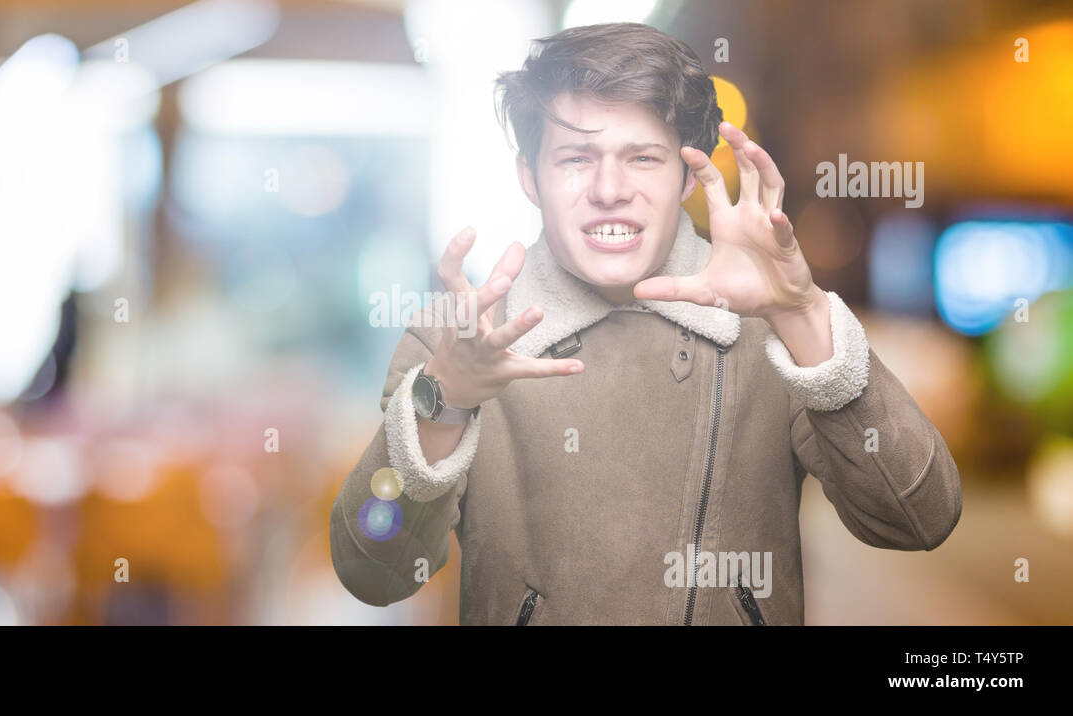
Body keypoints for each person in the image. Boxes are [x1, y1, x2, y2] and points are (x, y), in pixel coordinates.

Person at [329, 22, 962, 625]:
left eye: (643, 158)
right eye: (577, 158)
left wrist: (801, 314)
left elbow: (919, 519)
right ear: (530, 177)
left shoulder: (768, 327)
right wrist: (444, 403)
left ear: (688, 172)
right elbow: (372, 567)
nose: (609, 189)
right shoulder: (458, 339)